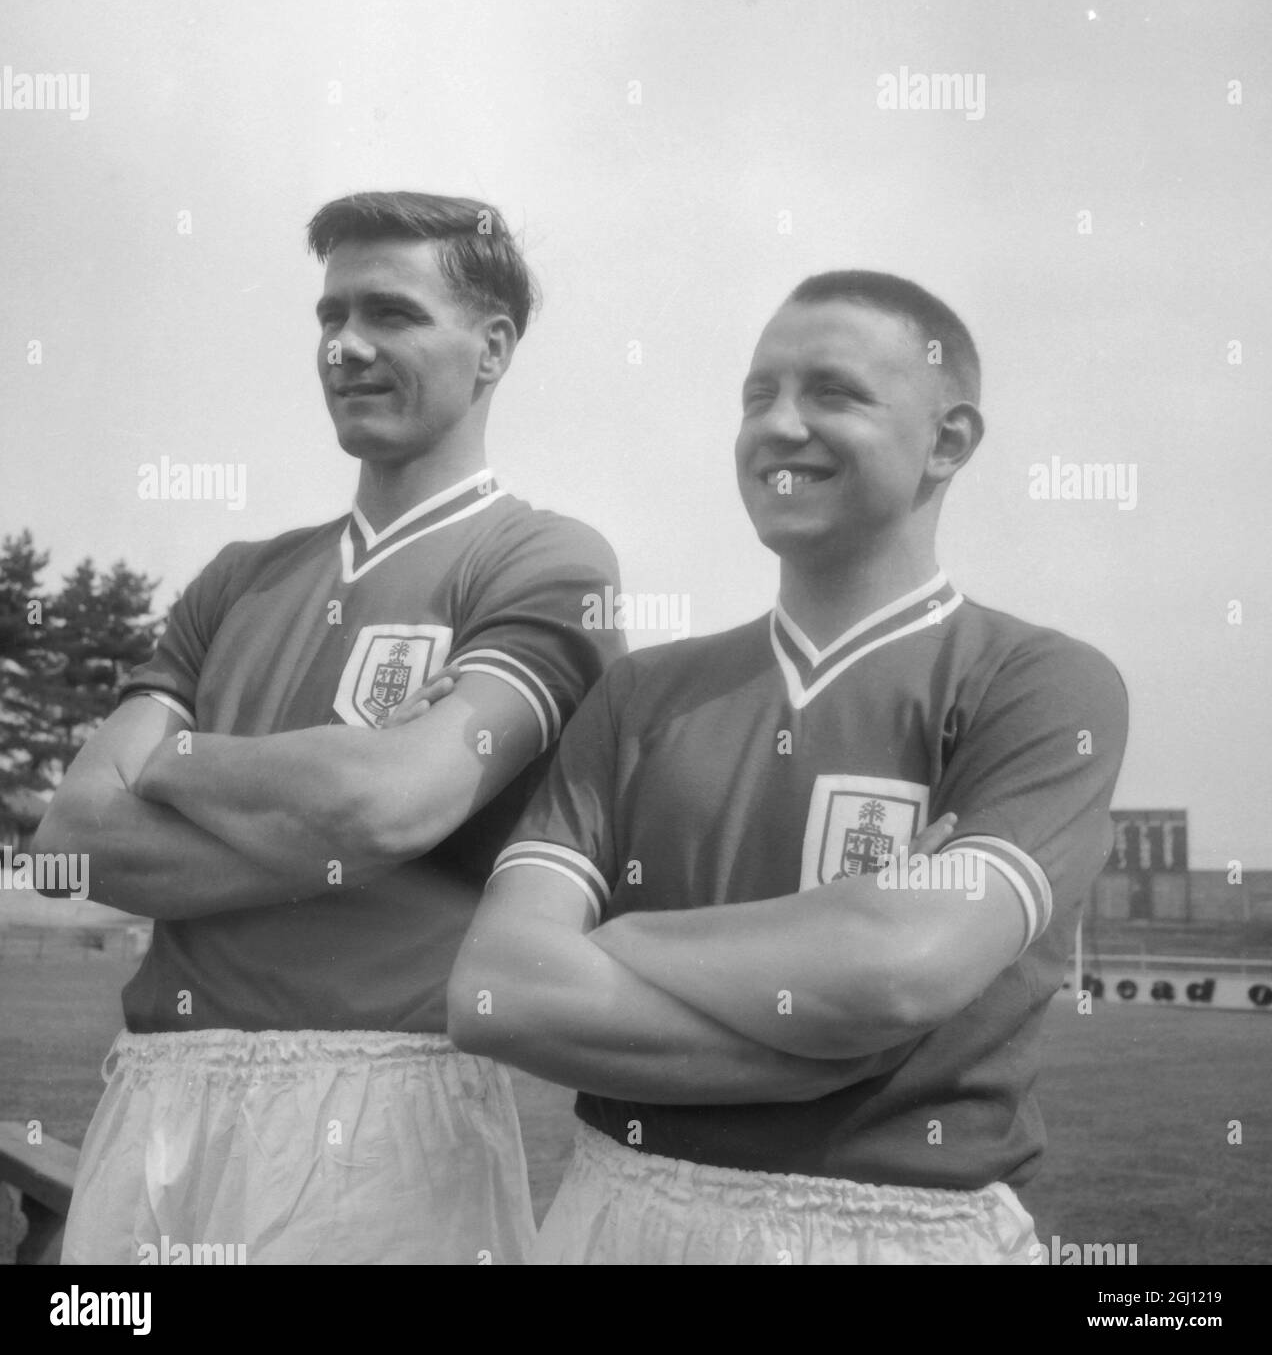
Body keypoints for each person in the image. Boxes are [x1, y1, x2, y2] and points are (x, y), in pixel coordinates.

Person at [448, 270, 1128, 1265]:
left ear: (948, 440)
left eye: (833, 392)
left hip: (906, 1236)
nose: (778, 425)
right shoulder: (639, 695)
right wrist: (822, 1006)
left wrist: (618, 938)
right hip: (614, 1215)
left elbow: (898, 971)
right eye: (757, 396)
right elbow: (496, 991)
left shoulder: (1041, 683)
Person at [36, 191, 624, 1265]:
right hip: (156, 1094)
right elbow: (69, 847)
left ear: (491, 348)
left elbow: (392, 800)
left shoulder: (543, 560)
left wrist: (167, 761)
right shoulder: (237, 578)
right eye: (329, 316)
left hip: (383, 1103)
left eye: (390, 314)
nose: (345, 347)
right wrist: (348, 834)